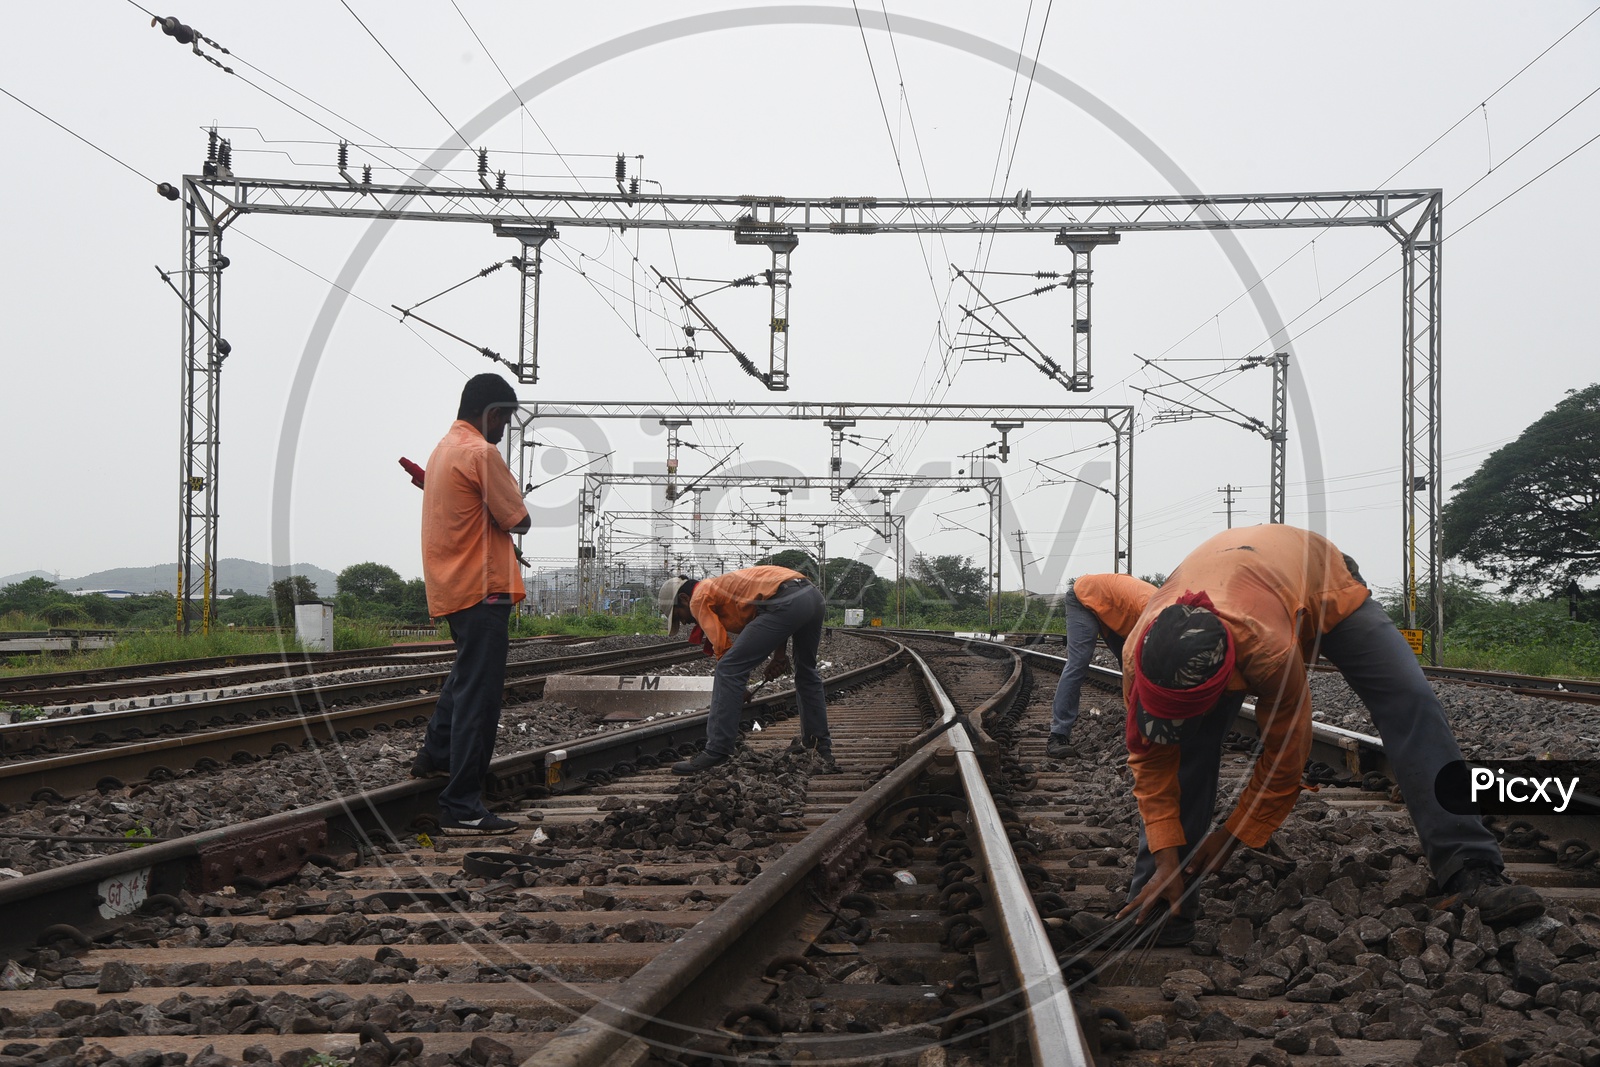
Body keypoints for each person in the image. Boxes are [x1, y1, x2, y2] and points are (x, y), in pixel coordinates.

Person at [1118, 524, 1542, 942]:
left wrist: (1233, 835)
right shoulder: (1140, 653)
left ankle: (1470, 866)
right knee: (1187, 742)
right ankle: (1159, 904)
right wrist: (1166, 855)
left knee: (1411, 701)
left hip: (1320, 580)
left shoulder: (1268, 653)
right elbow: (1150, 759)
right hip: (1242, 581)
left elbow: (1285, 756)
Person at [411, 373, 531, 834]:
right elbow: (518, 519)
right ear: (492, 412)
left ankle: (434, 756)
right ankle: (463, 804)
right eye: (504, 417)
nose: (504, 427)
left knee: (465, 675)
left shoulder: (442, 450)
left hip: (452, 585)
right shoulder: (482, 452)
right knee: (480, 698)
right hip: (484, 587)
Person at [659, 565, 830, 775]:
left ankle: (716, 751)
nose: (684, 622)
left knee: (728, 669)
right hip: (811, 596)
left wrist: (737, 687)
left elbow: (723, 650)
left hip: (785, 600)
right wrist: (778, 656)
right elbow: (768, 607)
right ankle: (820, 749)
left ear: (684, 599)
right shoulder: (723, 589)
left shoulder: (698, 597)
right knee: (807, 673)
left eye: (678, 615)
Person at [1047, 573, 1158, 759]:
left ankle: (1145, 728)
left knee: (1136, 665)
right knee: (1078, 663)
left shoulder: (1166, 614)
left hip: (1112, 606)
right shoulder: (1155, 616)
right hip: (1084, 597)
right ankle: (1058, 735)